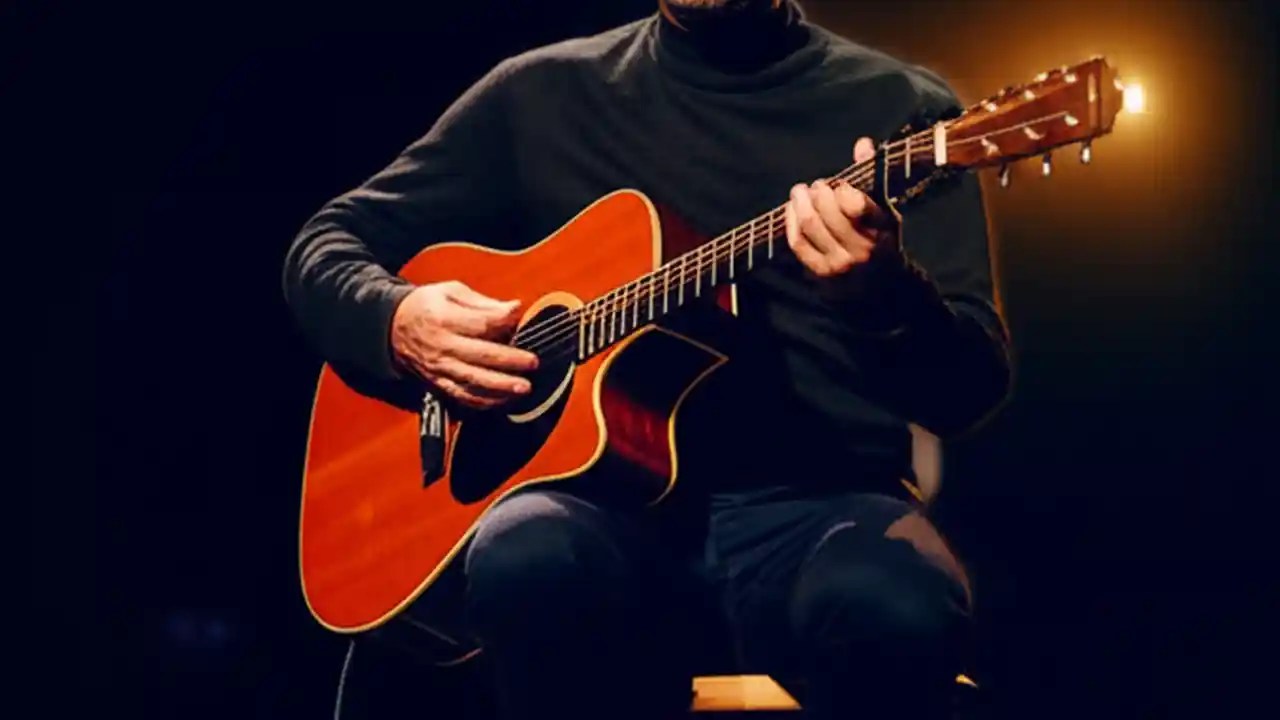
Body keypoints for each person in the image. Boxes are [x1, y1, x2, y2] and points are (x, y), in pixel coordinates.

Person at [283, 0, 1011, 717]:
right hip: (603, 513)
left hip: (825, 506)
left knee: (899, 601)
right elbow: (326, 243)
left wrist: (884, 296)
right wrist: (395, 320)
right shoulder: (542, 94)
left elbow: (970, 390)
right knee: (525, 553)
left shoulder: (904, 109)